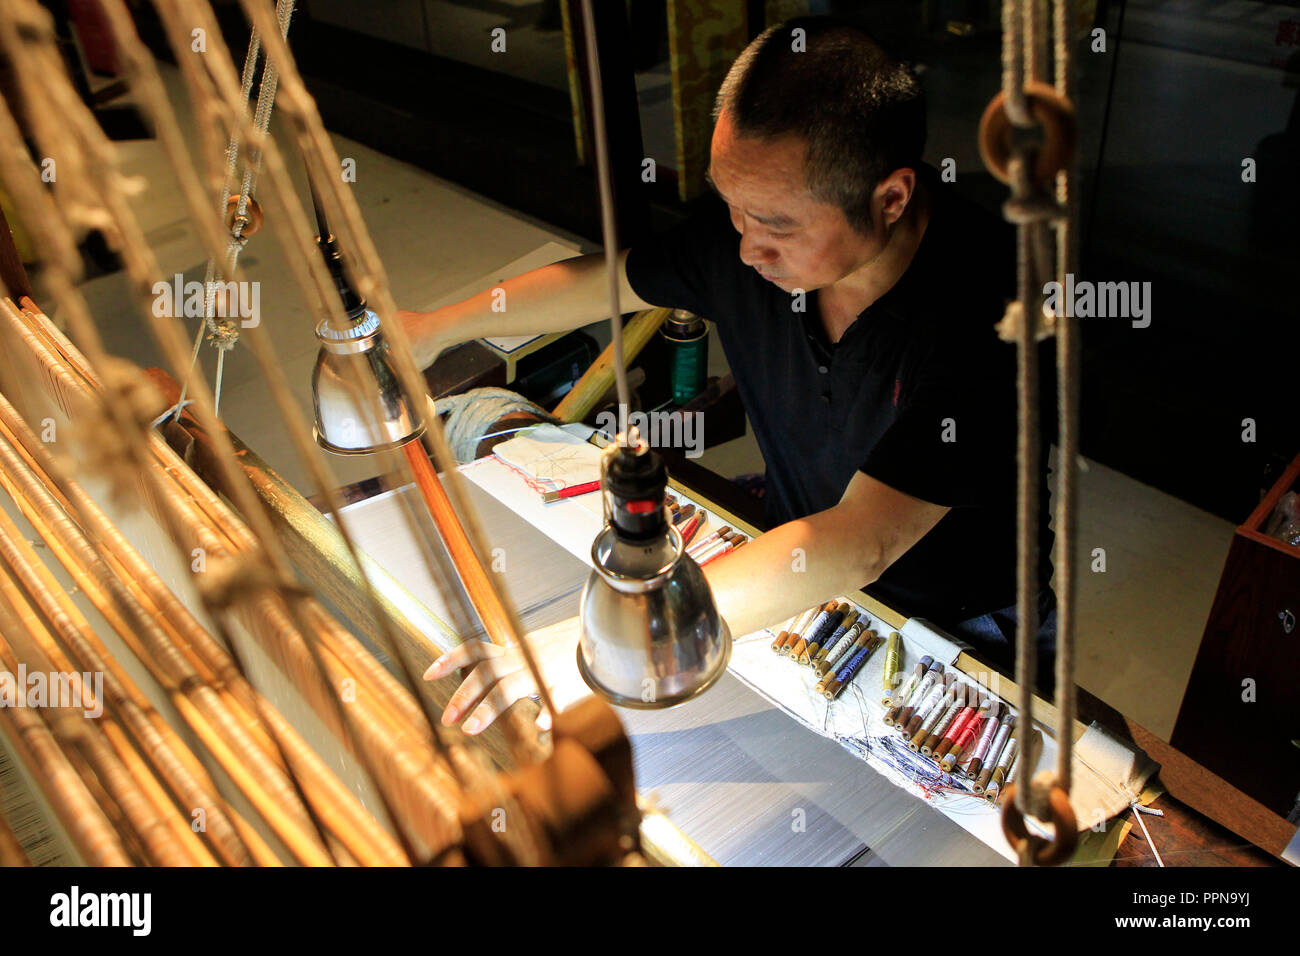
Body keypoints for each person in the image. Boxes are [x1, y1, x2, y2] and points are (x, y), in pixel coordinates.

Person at [402, 17, 1057, 735]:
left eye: (773, 224)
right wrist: (435, 326)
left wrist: (620, 638)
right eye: (730, 207)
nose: (745, 250)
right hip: (800, 562)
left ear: (890, 199)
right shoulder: (749, 230)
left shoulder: (993, 312)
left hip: (963, 626)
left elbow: (864, 540)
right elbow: (609, 282)